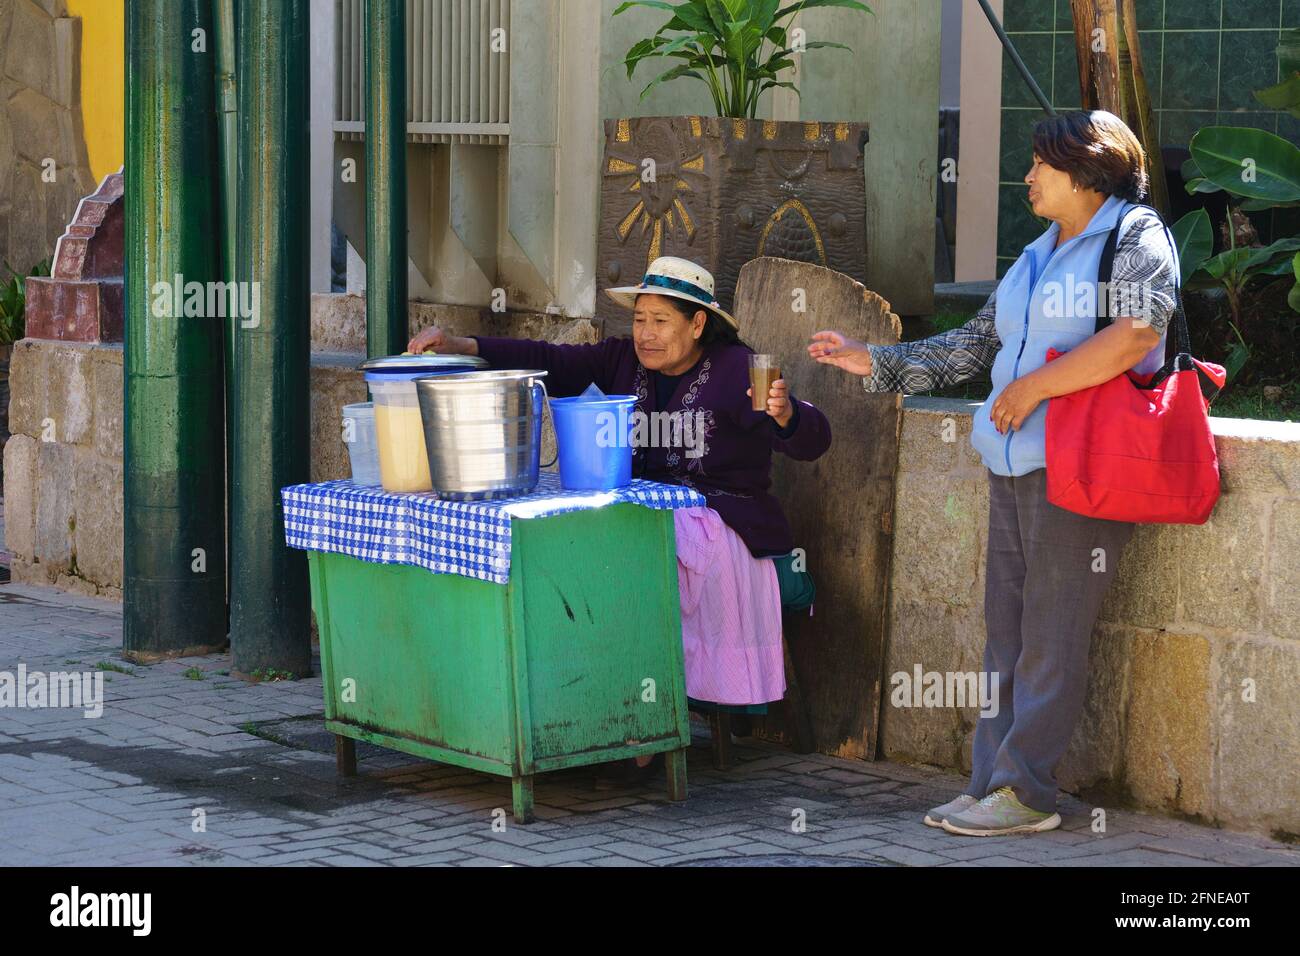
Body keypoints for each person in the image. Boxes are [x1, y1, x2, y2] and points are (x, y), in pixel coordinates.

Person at [810, 110, 1177, 835]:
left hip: (1084, 468)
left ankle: (1028, 793)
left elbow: (1138, 332)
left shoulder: (1137, 235)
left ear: (1089, 169)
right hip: (1014, 465)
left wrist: (1034, 388)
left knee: (1052, 632)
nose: (1029, 175)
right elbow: (975, 345)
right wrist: (873, 359)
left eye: (1042, 163)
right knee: (1006, 633)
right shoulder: (1039, 249)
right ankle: (990, 785)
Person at [408, 256, 831, 782]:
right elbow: (550, 359)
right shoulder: (622, 363)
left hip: (724, 524)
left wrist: (788, 415)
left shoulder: (737, 371)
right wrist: (463, 346)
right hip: (640, 515)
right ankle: (580, 702)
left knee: (635, 548)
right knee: (583, 538)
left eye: (660, 321)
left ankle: (643, 722)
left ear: (697, 323)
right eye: (639, 319)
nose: (645, 334)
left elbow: (815, 438)